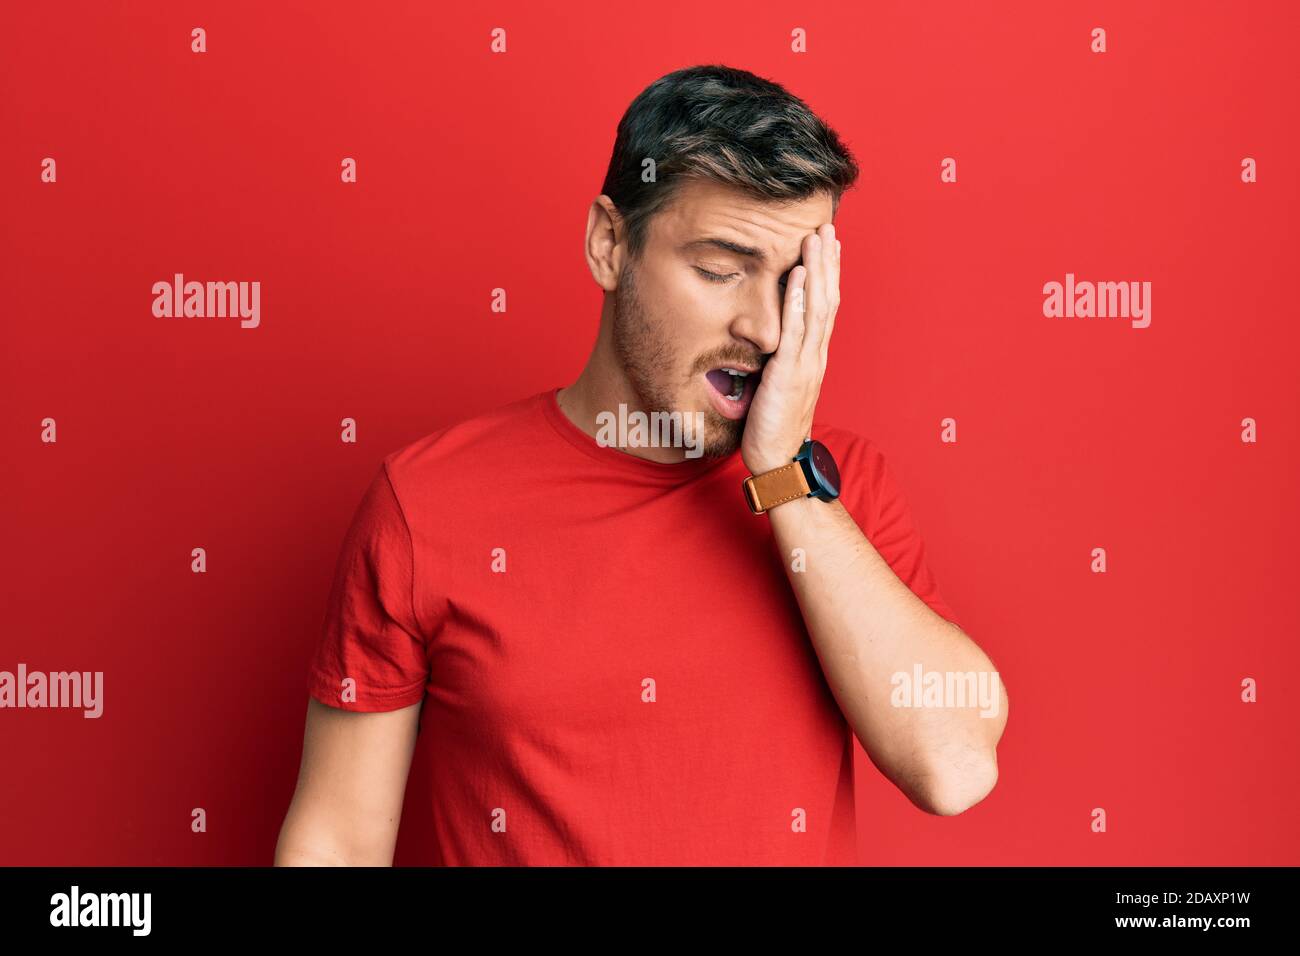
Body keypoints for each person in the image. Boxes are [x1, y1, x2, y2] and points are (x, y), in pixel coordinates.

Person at [275, 64, 1007, 867]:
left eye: (794, 283)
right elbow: (338, 842)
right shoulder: (425, 504)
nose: (764, 329)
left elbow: (956, 767)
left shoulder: (842, 492)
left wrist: (784, 475)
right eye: (721, 269)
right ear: (610, 244)